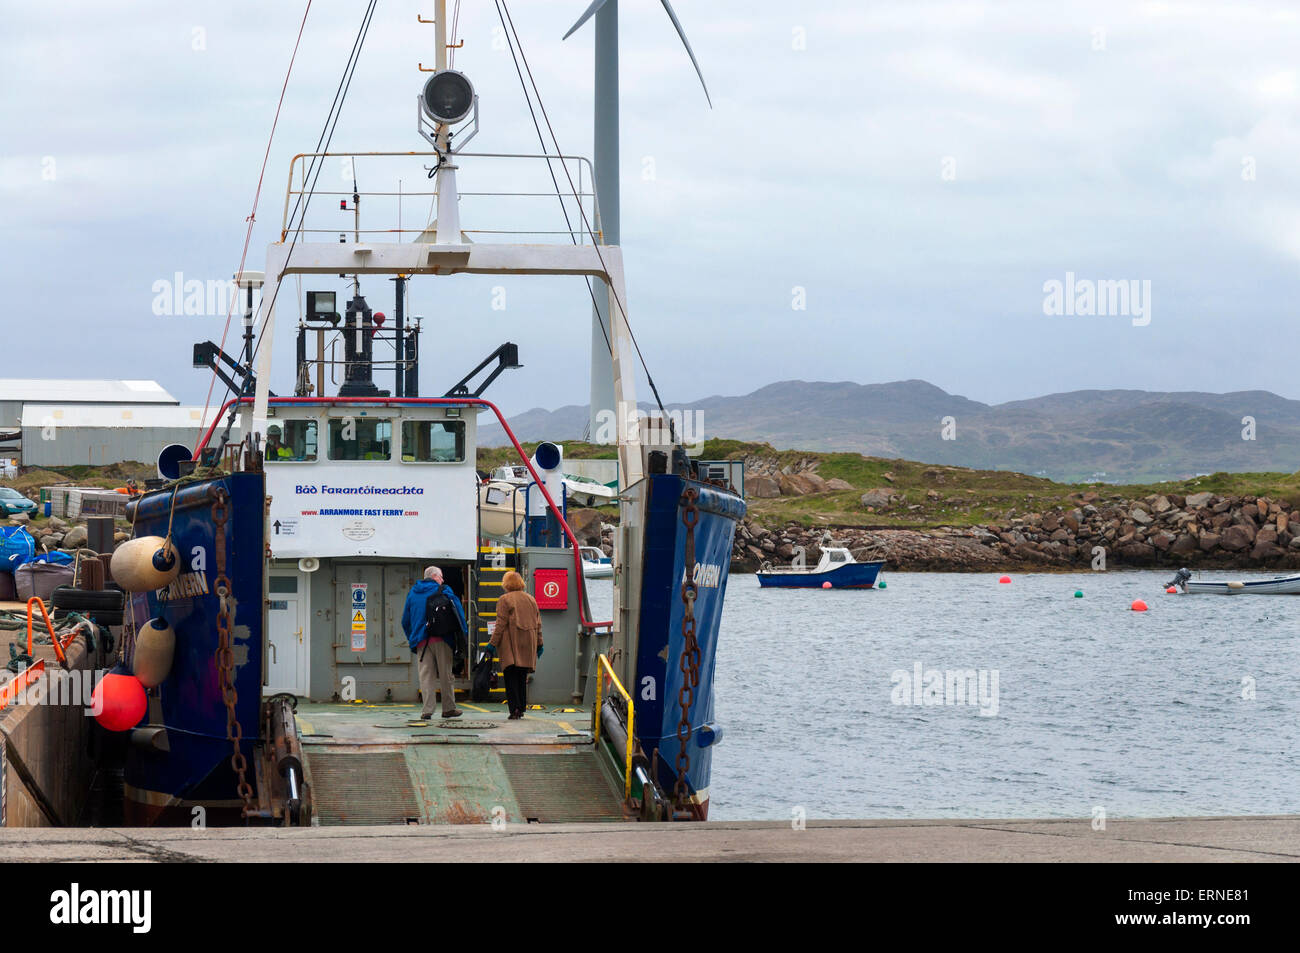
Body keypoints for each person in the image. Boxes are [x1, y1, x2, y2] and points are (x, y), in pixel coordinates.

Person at [401, 566, 467, 719]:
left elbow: (405, 621)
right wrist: (463, 635)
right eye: (441, 577)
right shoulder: (444, 590)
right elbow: (458, 613)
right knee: (446, 675)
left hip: (421, 642)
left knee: (426, 676)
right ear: (435, 576)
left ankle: (427, 710)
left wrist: (414, 637)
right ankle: (448, 708)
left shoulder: (412, 593)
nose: (442, 580)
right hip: (443, 638)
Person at [489, 570, 543, 720]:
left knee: (510, 677)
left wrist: (491, 644)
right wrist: (540, 644)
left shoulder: (504, 599)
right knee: (521, 677)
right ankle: (522, 708)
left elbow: (500, 624)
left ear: (506, 584)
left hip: (511, 645)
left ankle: (515, 710)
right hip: (528, 643)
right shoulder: (531, 599)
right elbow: (538, 624)